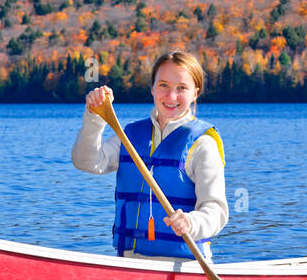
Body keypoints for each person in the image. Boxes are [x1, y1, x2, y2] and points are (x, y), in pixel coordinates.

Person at [71, 50, 228, 260]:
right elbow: (86, 162)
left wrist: (191, 222)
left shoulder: (203, 144)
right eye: (163, 85)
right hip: (130, 262)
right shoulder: (130, 135)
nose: (171, 96)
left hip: (183, 265)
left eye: (181, 88)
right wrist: (94, 118)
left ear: (195, 93)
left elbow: (216, 210)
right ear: (152, 88)